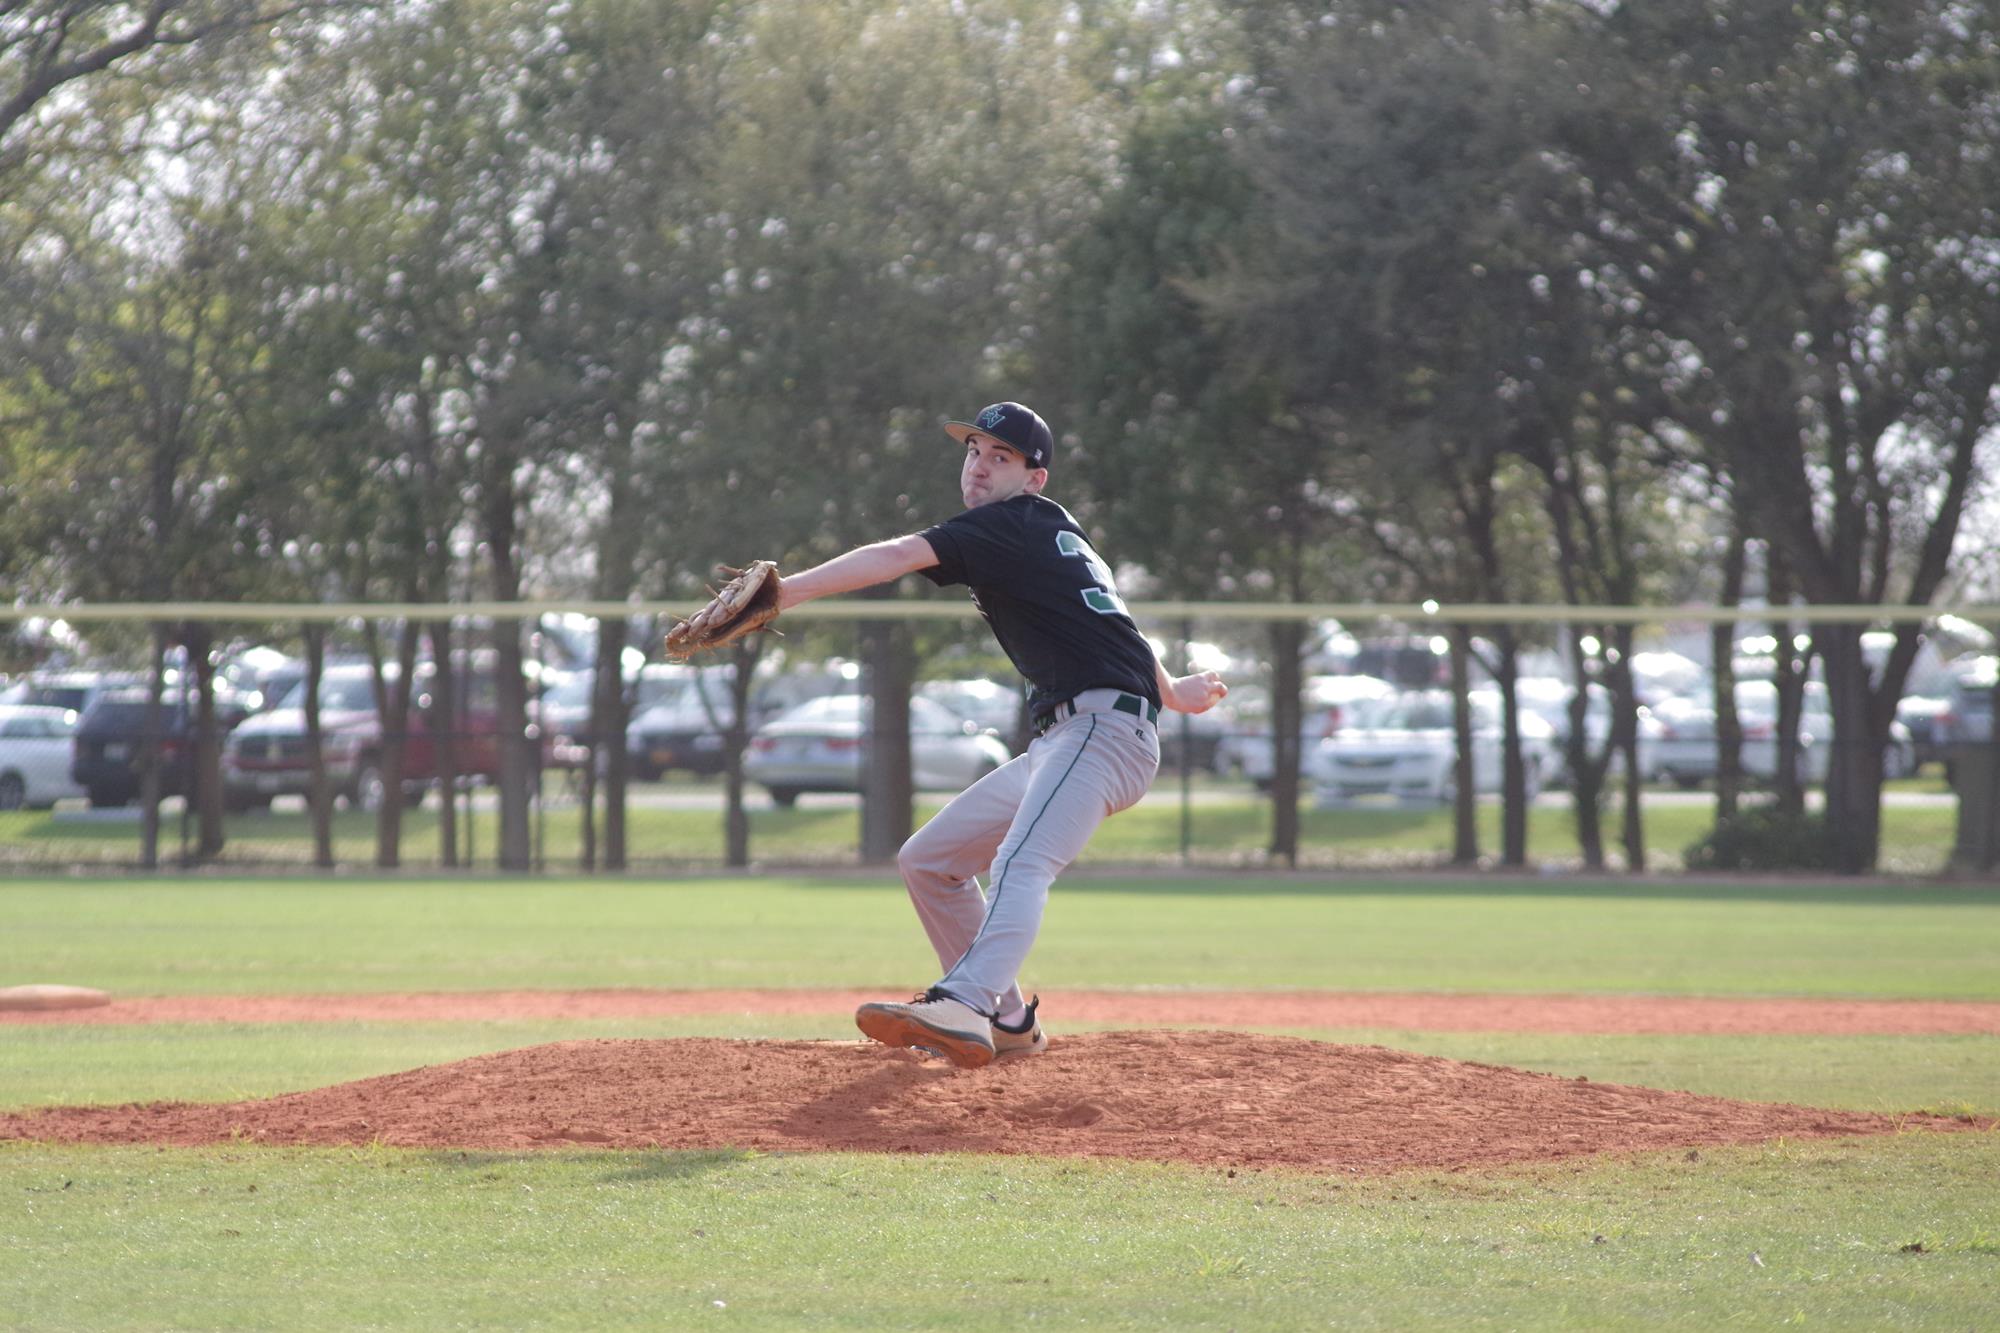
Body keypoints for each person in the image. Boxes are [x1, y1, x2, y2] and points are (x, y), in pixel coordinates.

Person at [774, 401, 1228, 1068]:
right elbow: (1114, 627)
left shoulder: (1009, 526)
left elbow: (899, 554)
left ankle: (965, 1000)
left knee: (1020, 861)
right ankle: (1011, 1019)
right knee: (930, 859)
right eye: (973, 451)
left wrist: (784, 593)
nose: (980, 466)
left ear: (1034, 477)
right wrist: (1174, 693)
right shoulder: (1047, 531)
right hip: (1071, 738)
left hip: (1099, 733)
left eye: (1001, 457)